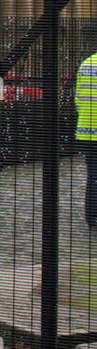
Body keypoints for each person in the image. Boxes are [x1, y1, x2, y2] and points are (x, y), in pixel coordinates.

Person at [74, 44, 97, 238]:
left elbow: (78, 98)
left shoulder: (87, 63)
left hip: (87, 130)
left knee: (93, 175)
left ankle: (92, 215)